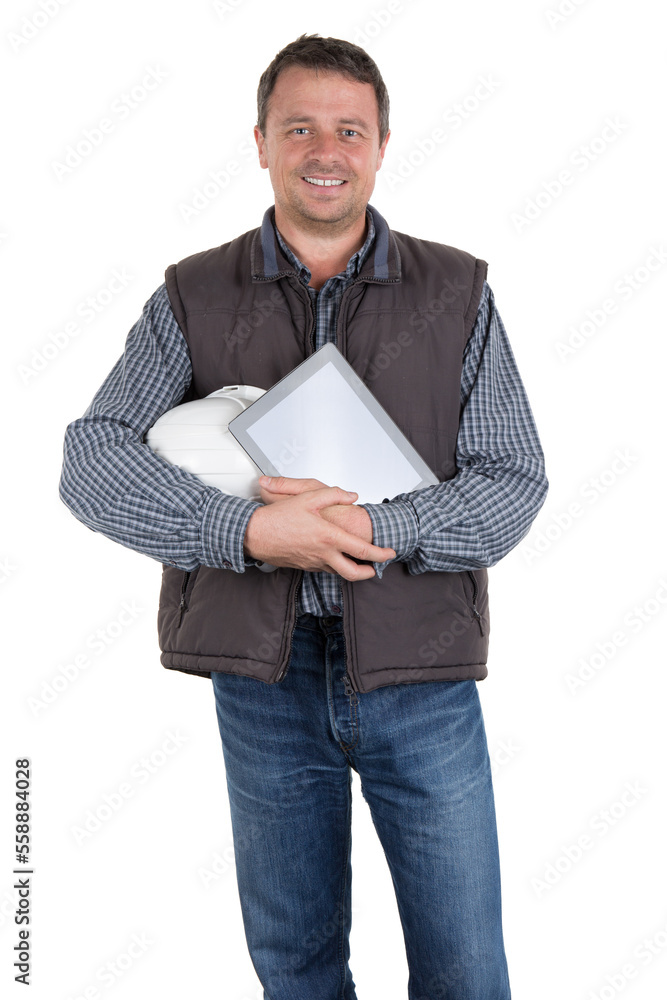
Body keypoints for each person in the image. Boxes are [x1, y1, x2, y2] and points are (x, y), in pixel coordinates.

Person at [59, 33, 548, 1000]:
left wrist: (378, 527)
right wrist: (244, 533)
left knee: (464, 969)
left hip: (420, 675)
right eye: (299, 128)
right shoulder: (191, 294)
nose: (325, 149)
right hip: (263, 684)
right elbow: (92, 457)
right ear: (260, 143)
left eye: (348, 130)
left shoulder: (459, 292)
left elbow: (512, 480)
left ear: (380, 145)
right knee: (295, 965)